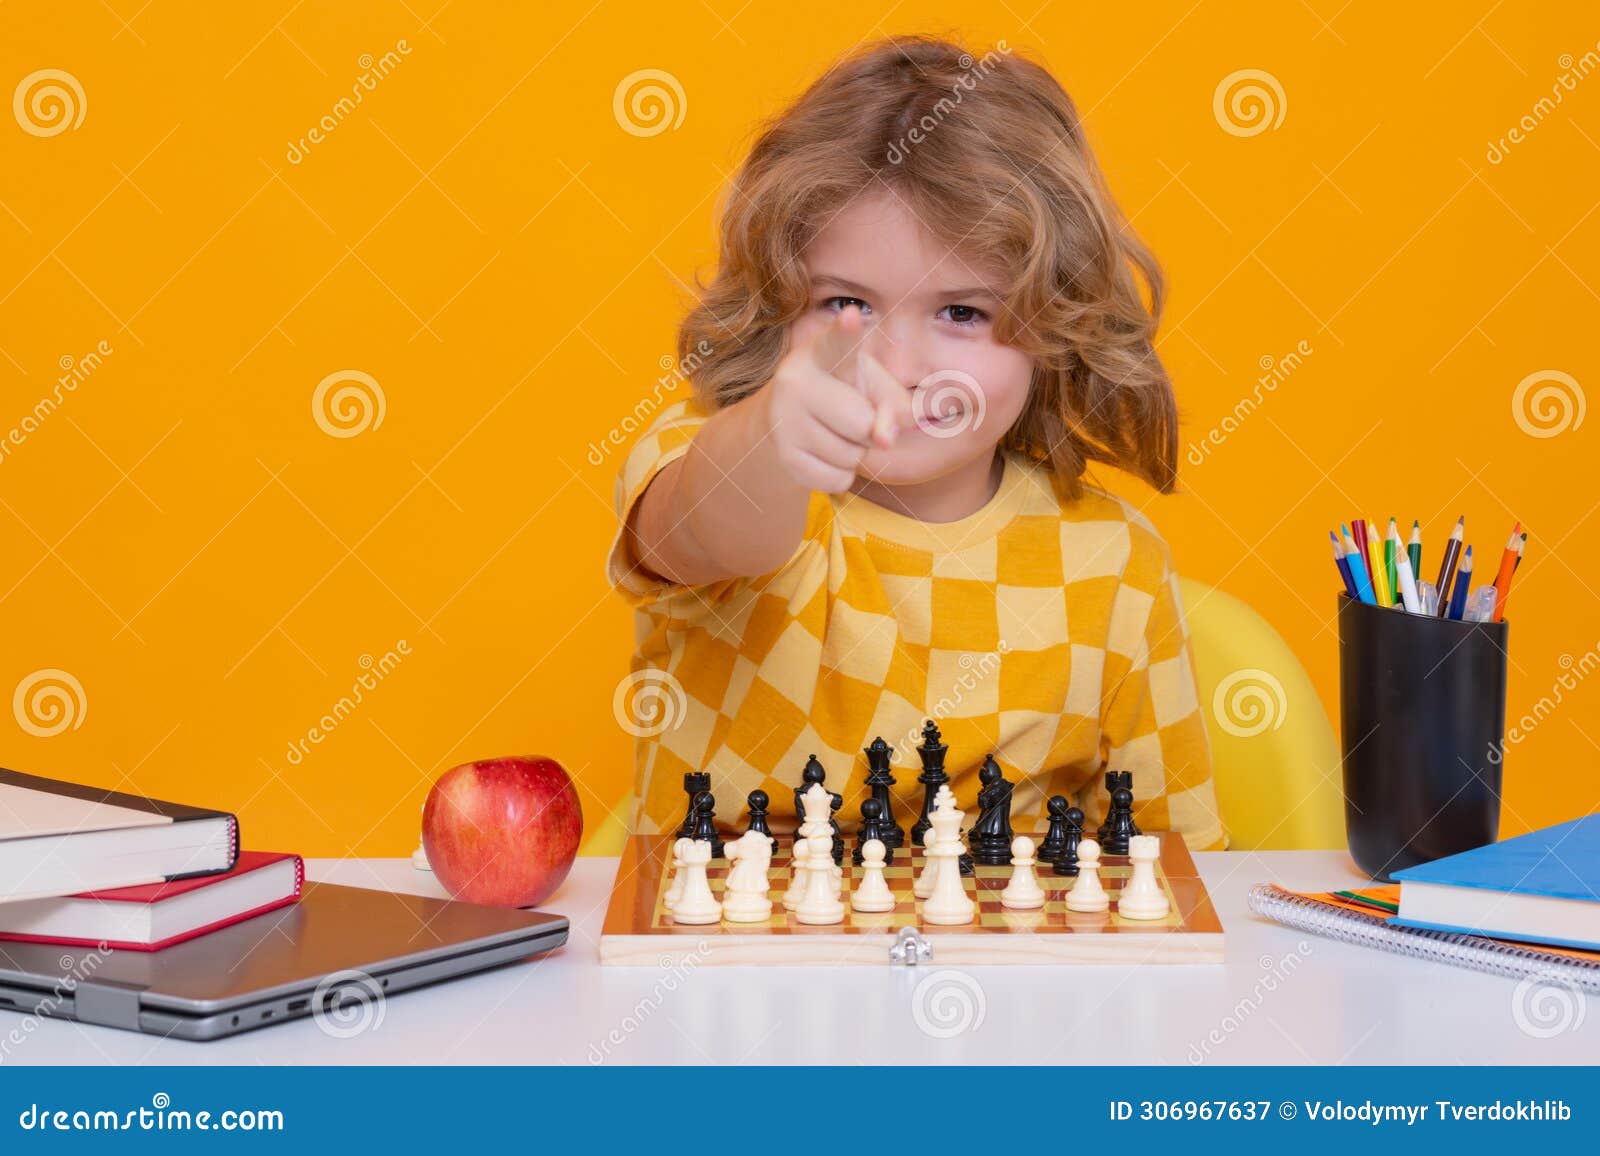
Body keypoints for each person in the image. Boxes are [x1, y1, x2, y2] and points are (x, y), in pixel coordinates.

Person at [606, 37, 1225, 850]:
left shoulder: (1117, 564)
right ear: (778, 306)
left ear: (1057, 326)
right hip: (731, 959)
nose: (894, 364)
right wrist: (770, 435)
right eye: (844, 304)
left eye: (963, 313)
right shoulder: (716, 464)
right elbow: (705, 524)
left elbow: (1176, 859)